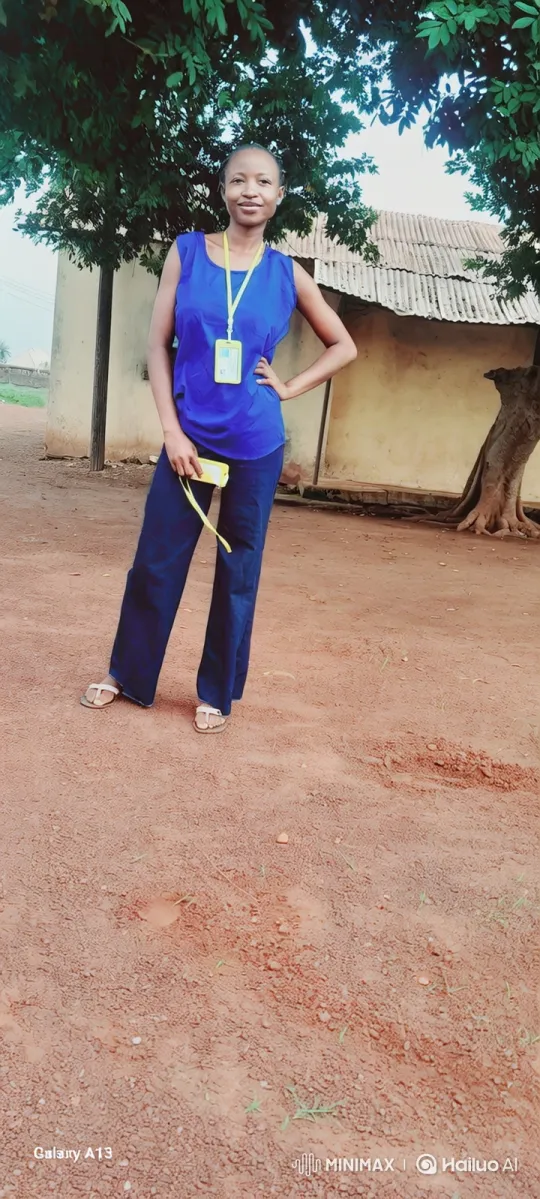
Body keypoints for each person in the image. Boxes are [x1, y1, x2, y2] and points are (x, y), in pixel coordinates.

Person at [82, 143, 357, 732]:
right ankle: (127, 674)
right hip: (189, 438)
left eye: (263, 182)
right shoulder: (187, 253)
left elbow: (344, 345)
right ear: (223, 190)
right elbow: (158, 345)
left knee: (239, 570)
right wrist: (170, 432)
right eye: (238, 180)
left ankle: (215, 692)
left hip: (256, 443)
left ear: (279, 196)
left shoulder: (287, 272)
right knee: (157, 561)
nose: (249, 191)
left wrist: (287, 388)